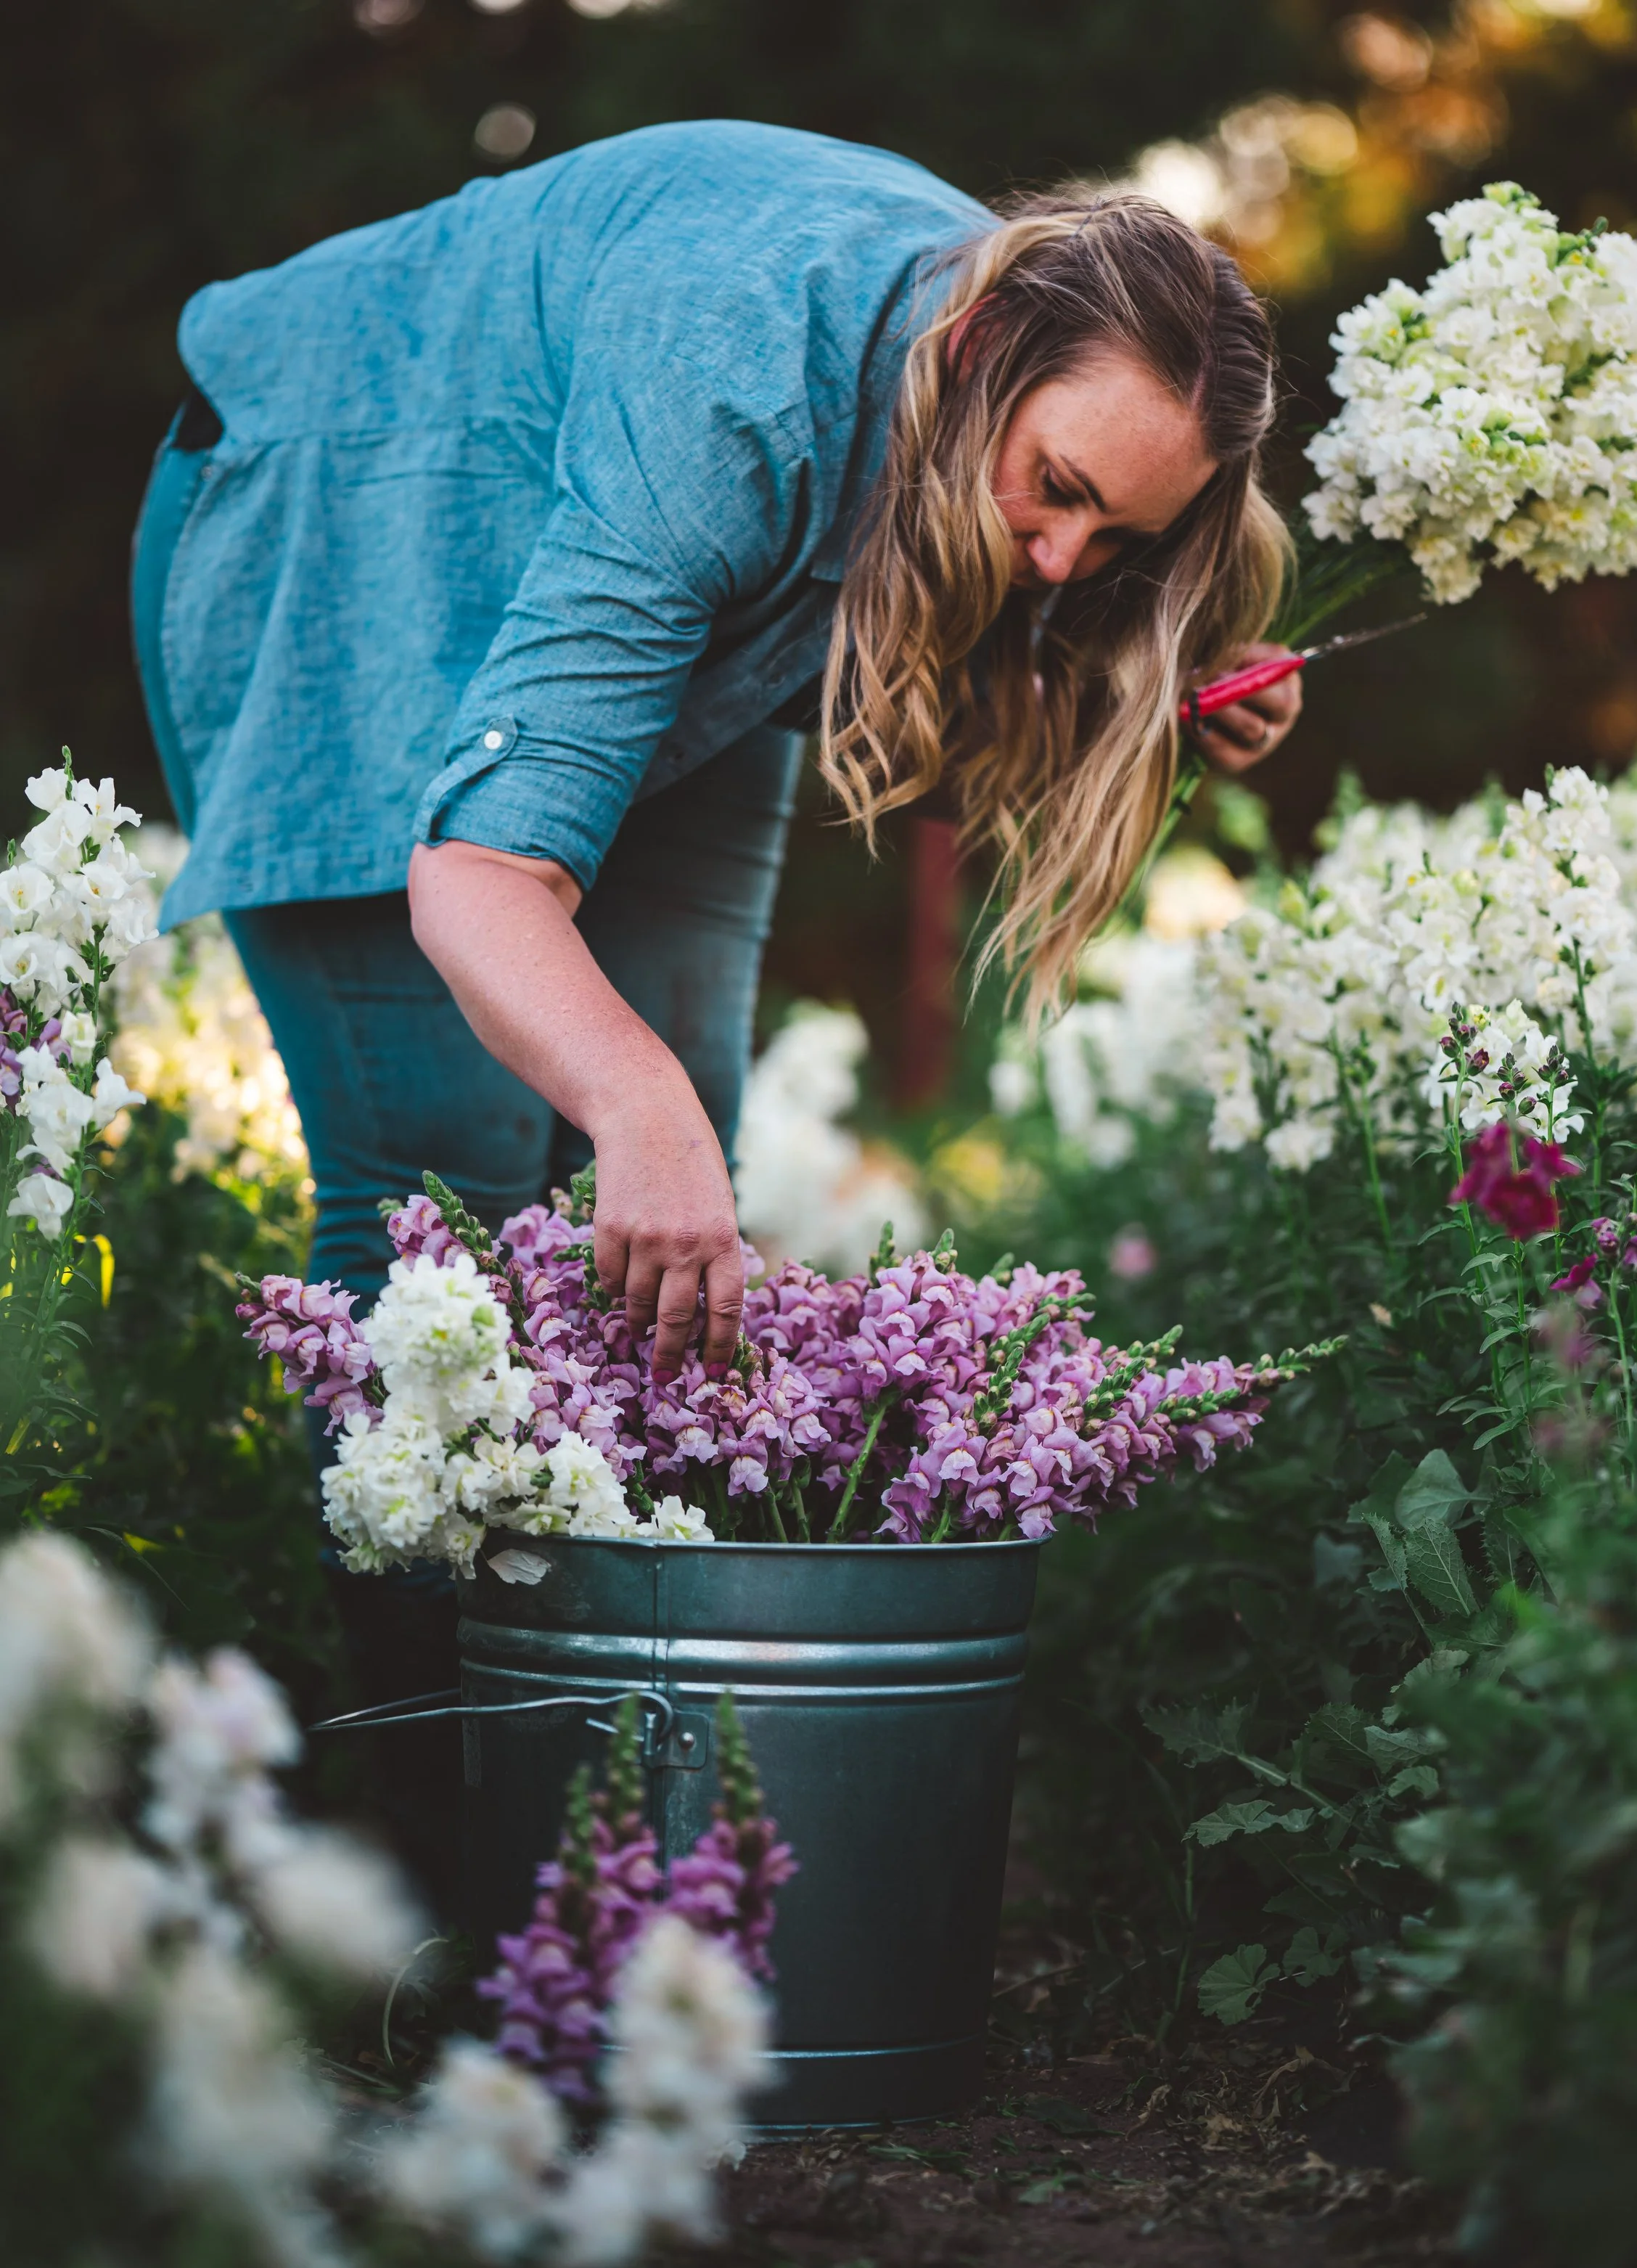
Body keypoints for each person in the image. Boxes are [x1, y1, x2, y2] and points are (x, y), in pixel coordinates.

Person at [131, 119, 1302, 1898]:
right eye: (1051, 489)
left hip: (650, 605)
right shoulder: (734, 384)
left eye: (1115, 533)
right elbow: (476, 879)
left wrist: (1157, 667)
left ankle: (623, 1788)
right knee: (439, 1194)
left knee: (667, 1238)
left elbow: (1059, 578)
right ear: (981, 351)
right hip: (346, 516)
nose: (1058, 559)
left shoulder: (1014, 369)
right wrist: (633, 1098)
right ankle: (448, 1873)